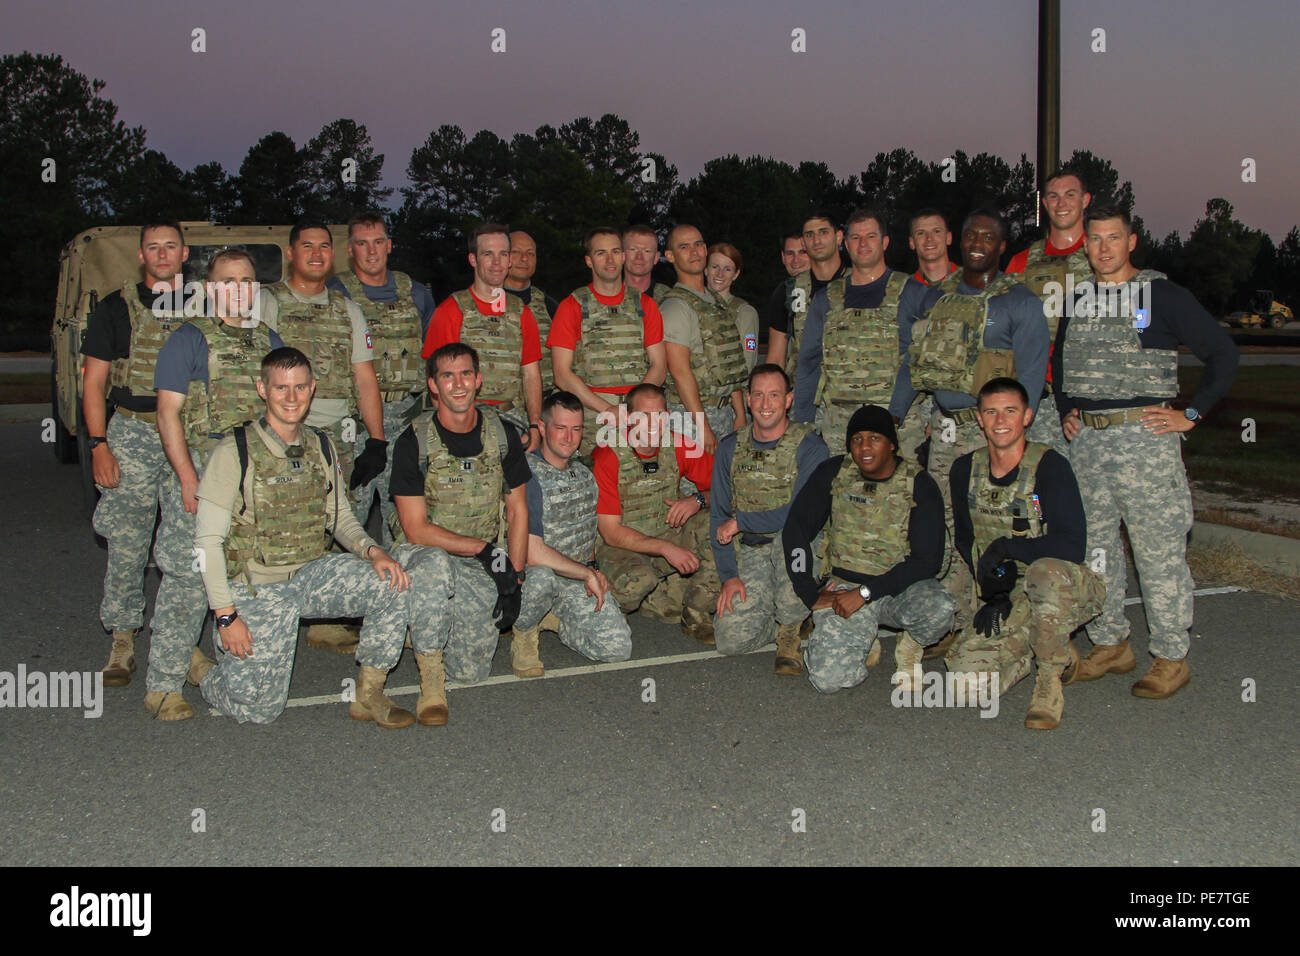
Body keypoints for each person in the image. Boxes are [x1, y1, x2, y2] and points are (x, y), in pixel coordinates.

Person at [1054, 202, 1239, 698]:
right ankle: (1111, 642)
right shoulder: (1078, 300)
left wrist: (1191, 415)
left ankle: (1170, 656)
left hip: (1145, 443)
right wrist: (1068, 409)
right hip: (1089, 445)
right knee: (1096, 550)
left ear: (1131, 241)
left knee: (1157, 551)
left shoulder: (1161, 296)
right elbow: (1064, 366)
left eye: (1113, 238)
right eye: (1094, 240)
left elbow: (1224, 355)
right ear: (1085, 245)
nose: (1103, 248)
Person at [190, 347, 417, 726]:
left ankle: (369, 693)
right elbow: (207, 543)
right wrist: (226, 616)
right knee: (259, 710)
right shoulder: (235, 451)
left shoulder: (321, 444)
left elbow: (340, 517)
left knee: (391, 582)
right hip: (258, 585)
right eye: (281, 388)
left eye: (299, 387)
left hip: (311, 574)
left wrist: (372, 550)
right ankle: (202, 671)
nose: (291, 398)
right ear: (262, 390)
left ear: (312, 389)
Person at [892, 207, 1048, 660]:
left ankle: (1006, 619)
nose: (978, 241)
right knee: (947, 526)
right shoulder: (933, 298)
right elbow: (912, 364)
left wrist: (1012, 442)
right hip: (944, 435)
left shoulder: (1019, 301)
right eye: (971, 234)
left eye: (989, 236)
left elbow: (1032, 378)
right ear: (961, 244)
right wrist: (894, 416)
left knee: (993, 526)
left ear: (1002, 246)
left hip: (992, 437)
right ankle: (956, 620)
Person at [145, 248, 284, 720]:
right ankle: (162, 684)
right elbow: (168, 415)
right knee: (187, 577)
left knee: (242, 571)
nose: (239, 290)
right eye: (228, 281)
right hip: (202, 472)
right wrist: (187, 480)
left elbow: (283, 414)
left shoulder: (270, 340)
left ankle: (229, 666)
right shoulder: (187, 339)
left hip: (251, 480)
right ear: (209, 288)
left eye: (247, 281)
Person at [950, 377, 1104, 728]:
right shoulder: (965, 470)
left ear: (1027, 416)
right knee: (964, 685)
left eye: (1010, 411)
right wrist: (994, 593)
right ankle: (1039, 645)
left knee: (1044, 571)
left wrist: (1007, 547)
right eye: (991, 412)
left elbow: (1071, 545)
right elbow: (965, 539)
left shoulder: (1050, 466)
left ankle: (1049, 681)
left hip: (1061, 587)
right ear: (979, 418)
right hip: (1009, 593)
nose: (1000, 421)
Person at [390, 343, 532, 724]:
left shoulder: (501, 434)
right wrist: (488, 552)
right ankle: (431, 682)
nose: (458, 384)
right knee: (435, 565)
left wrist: (515, 574)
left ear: (478, 379)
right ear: (433, 385)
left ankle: (422, 622)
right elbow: (415, 528)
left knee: (471, 672)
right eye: (447, 376)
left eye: (465, 374)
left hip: (475, 559)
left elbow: (518, 508)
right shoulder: (413, 441)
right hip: (422, 555)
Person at [262, 221, 386, 654]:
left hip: (336, 432)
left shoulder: (347, 309)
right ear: (291, 253)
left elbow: (364, 377)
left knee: (338, 517)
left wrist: (377, 438)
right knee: (281, 519)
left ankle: (325, 619)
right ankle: (269, 607)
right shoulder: (268, 302)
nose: (316, 254)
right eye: (306, 246)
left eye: (323, 247)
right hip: (283, 432)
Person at [82, 221, 189, 686]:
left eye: (171, 246)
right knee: (128, 539)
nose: (162, 254)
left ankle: (181, 638)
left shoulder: (204, 306)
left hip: (188, 433)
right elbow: (94, 383)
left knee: (187, 543)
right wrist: (98, 443)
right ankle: (123, 639)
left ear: (184, 254)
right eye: (153, 248)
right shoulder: (115, 307)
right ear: (141, 255)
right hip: (133, 431)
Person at [783, 405, 951, 694]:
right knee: (828, 681)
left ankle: (910, 644)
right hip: (843, 587)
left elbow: (927, 561)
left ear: (892, 444)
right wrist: (808, 592)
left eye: (875, 438)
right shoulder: (835, 472)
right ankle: (863, 635)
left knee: (940, 609)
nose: (865, 447)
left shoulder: (918, 483)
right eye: (857, 439)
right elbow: (796, 529)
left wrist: (865, 593)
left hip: (896, 589)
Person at [711, 365, 828, 673]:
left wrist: (741, 522)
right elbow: (719, 516)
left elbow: (798, 515)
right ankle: (782, 620)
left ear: (788, 400)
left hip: (795, 543)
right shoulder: (730, 447)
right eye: (759, 395)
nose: (765, 404)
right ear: (748, 400)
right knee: (729, 641)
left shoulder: (811, 446)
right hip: (751, 550)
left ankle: (790, 628)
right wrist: (729, 576)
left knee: (789, 539)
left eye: (774, 395)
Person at [327, 211, 435, 542]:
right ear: (351, 250)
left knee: (406, 515)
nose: (371, 251)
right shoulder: (335, 294)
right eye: (362, 243)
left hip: (408, 417)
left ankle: (400, 583)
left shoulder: (417, 293)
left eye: (378, 242)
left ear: (389, 246)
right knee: (348, 510)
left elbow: (431, 355)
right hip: (354, 422)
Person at [511, 391, 633, 677]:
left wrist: (592, 569)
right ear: (541, 428)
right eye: (561, 428)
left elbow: (586, 532)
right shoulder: (526, 475)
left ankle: (554, 620)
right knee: (540, 577)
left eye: (576, 429)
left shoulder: (584, 474)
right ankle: (524, 633)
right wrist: (585, 573)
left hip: (574, 577)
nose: (569, 437)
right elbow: (532, 551)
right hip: (531, 578)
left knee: (617, 648)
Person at [791, 208, 931, 457]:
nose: (863, 244)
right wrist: (803, 423)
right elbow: (809, 363)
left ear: (885, 242)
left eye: (871, 237)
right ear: (845, 244)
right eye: (856, 238)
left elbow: (922, 358)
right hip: (839, 429)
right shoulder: (826, 300)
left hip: (897, 425)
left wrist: (897, 412)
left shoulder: (912, 292)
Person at [592, 383, 720, 643]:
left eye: (660, 415)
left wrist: (697, 499)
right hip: (621, 547)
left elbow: (726, 489)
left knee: (716, 527)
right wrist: (665, 548)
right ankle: (622, 604)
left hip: (666, 531)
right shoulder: (608, 456)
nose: (653, 424)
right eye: (643, 416)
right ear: (628, 418)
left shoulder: (680, 445)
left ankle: (695, 609)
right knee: (637, 581)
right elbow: (610, 533)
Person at [422, 223, 543, 451]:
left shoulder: (521, 312)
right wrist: (449, 430)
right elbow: (435, 379)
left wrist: (534, 425)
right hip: (463, 424)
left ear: (509, 261)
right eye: (488, 254)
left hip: (512, 423)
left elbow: (531, 374)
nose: (496, 263)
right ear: (473, 260)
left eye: (503, 254)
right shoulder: (451, 311)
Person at [548, 226, 667, 458]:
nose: (610, 259)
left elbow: (659, 366)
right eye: (601, 253)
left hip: (640, 416)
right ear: (589, 260)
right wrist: (608, 410)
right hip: (593, 416)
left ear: (624, 257)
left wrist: (633, 410)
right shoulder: (571, 306)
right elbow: (561, 374)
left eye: (615, 251)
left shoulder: (645, 305)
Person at [1006, 166, 1094, 456]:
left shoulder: (1102, 256)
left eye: (1070, 195)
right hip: (1039, 394)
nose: (1061, 203)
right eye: (1053, 197)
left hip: (1090, 391)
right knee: (1040, 486)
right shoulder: (1022, 263)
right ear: (1044, 204)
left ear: (1085, 200)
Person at [659, 224, 748, 453]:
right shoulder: (676, 306)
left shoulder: (715, 301)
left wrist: (739, 413)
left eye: (698, 244)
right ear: (670, 256)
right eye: (684, 246)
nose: (695, 251)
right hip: (691, 416)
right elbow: (680, 372)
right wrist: (703, 427)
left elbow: (730, 365)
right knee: (695, 486)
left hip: (724, 412)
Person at [764, 212, 847, 380]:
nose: (816, 241)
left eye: (823, 232)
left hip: (850, 393)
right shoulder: (789, 291)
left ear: (838, 237)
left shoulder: (858, 282)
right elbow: (776, 358)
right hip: (804, 393)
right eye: (810, 235)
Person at [504, 230, 561, 397]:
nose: (524, 259)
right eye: (516, 252)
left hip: (544, 403)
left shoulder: (550, 307)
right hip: (499, 407)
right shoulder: (483, 302)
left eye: (530, 253)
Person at [706, 242, 761, 372]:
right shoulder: (690, 305)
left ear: (735, 274)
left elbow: (749, 358)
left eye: (727, 269)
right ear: (705, 269)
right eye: (715, 267)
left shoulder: (745, 312)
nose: (720, 274)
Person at [621, 224, 672, 303]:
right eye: (633, 249)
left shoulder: (668, 299)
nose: (639, 257)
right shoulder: (605, 294)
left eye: (647, 251)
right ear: (622, 255)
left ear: (656, 258)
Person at [908, 208, 958, 285]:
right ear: (912, 243)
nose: (929, 238)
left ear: (948, 238)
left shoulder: (973, 282)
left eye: (936, 231)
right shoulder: (903, 291)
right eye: (921, 233)